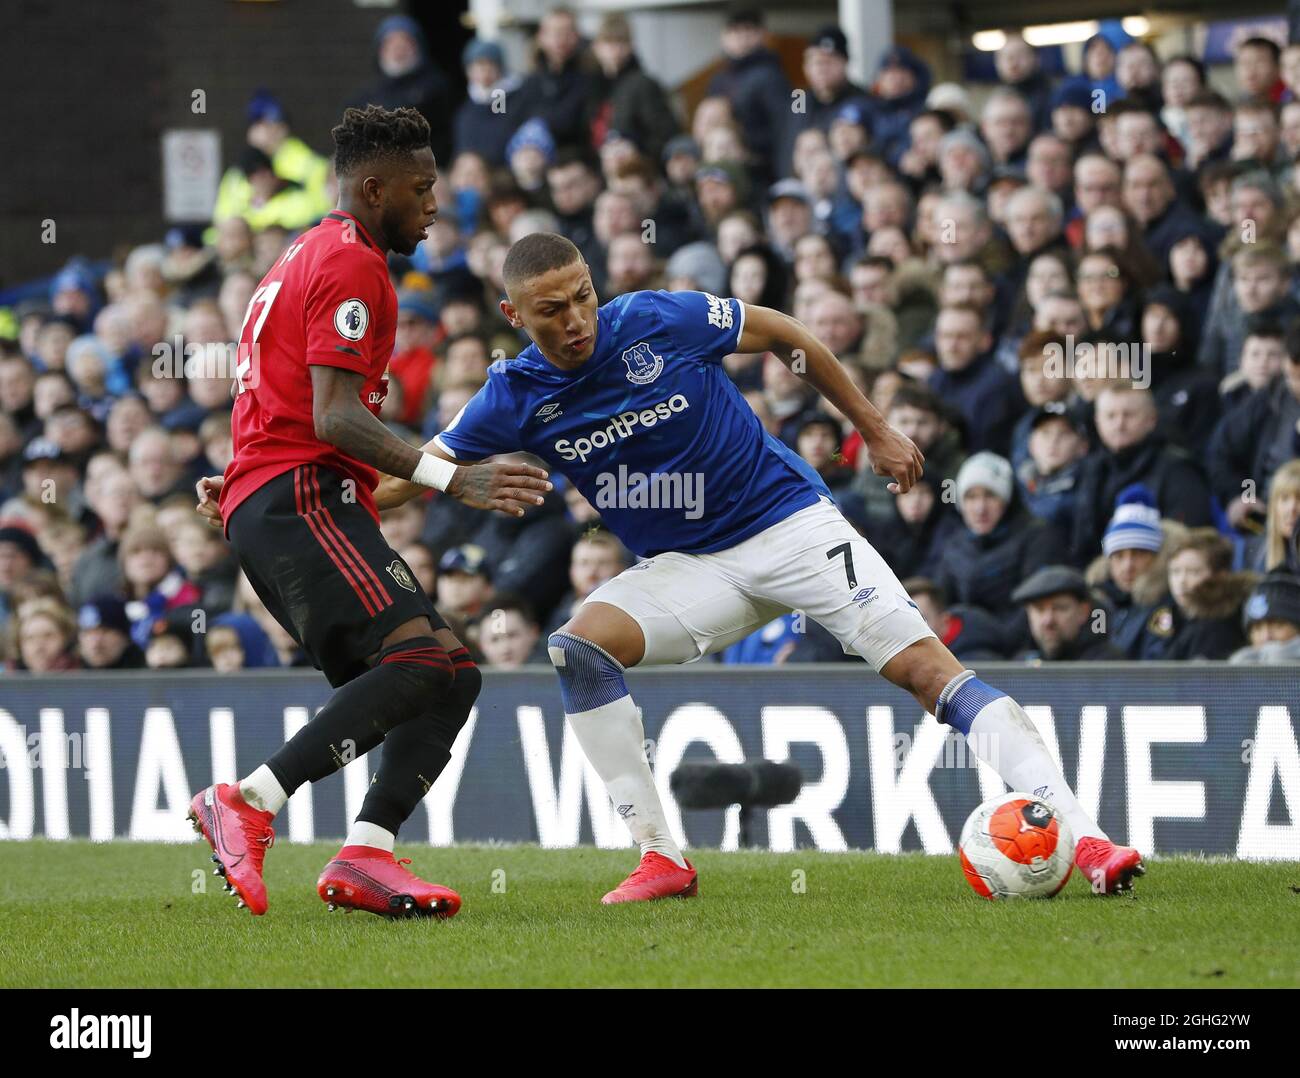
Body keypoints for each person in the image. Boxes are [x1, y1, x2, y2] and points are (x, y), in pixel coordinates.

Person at [376, 231, 1144, 903]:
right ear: (514, 316)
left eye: (582, 296)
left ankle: (1089, 839)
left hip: (791, 527)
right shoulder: (513, 396)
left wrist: (873, 429)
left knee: (929, 673)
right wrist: (313, 497)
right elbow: (412, 471)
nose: (576, 320)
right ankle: (661, 857)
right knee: (578, 647)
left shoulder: (652, 320)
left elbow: (779, 329)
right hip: (690, 567)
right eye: (551, 310)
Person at [190, 106, 549, 919]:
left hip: (288, 496)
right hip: (303, 496)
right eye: (422, 190)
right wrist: (452, 480)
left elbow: (289, 407)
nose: (434, 206)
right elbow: (334, 418)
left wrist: (241, 482)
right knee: (421, 666)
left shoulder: (301, 254)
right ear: (373, 186)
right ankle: (249, 799)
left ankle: (367, 855)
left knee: (451, 673)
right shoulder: (353, 264)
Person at [1012, 566, 1123, 662]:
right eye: (1039, 610)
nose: (1048, 620)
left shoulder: (1106, 665)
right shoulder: (1022, 663)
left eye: (1059, 608)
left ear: (1083, 612)